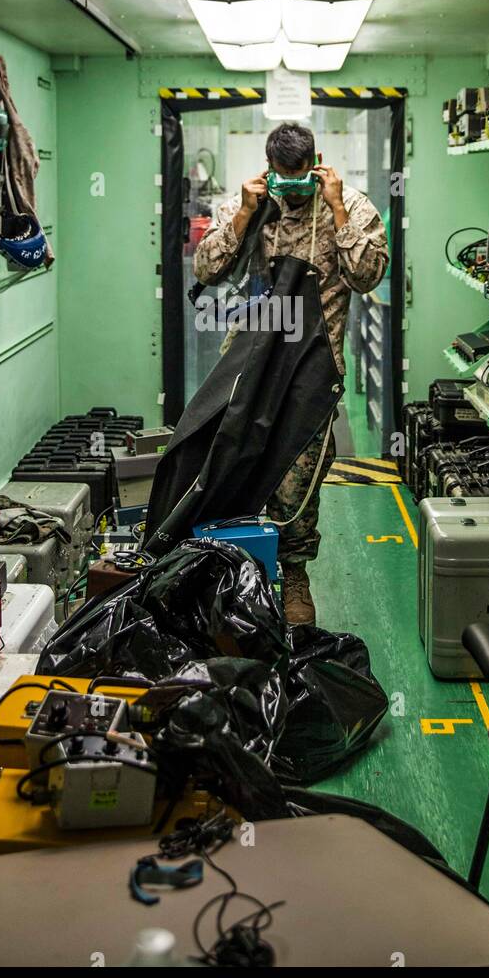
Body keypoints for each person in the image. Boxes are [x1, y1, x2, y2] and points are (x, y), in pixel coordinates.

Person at [193, 122, 389, 625]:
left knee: (298, 481)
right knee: (233, 465)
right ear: (269, 171)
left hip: (313, 369)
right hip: (249, 365)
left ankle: (294, 572)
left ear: (316, 164)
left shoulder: (351, 208)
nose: (294, 190)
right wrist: (242, 215)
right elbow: (205, 271)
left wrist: (339, 208)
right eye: (285, 180)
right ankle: (235, 569)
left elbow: (367, 277)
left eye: (302, 179)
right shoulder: (252, 207)